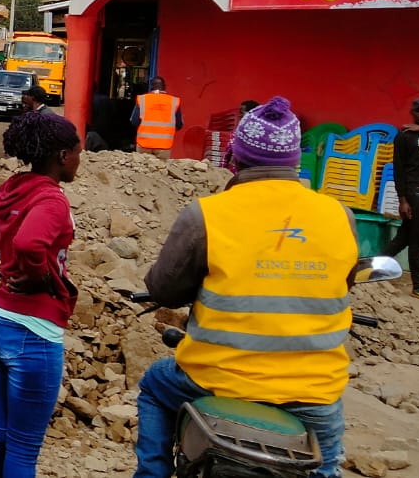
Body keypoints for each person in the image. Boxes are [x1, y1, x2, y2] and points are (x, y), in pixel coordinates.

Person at [135, 97, 358, 478]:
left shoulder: (207, 213)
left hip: (214, 382)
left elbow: (165, 291)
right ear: (294, 162)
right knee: (325, 467)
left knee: (154, 386)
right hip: (313, 393)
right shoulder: (340, 215)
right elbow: (345, 281)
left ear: (235, 158)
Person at [0, 111, 83, 478]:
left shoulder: (15, 186)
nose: (80, 160)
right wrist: (38, 278)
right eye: (78, 152)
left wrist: (4, 257)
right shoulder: (52, 200)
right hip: (32, 332)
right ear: (63, 156)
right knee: (23, 447)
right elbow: (30, 242)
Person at [384, 98, 419, 299]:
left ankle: (374, 266)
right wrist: (403, 199)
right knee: (418, 240)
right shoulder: (404, 137)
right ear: (412, 111)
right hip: (414, 192)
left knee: (403, 238)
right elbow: (398, 170)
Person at [131, 76, 182, 159]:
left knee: (143, 170)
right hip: (164, 146)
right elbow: (179, 125)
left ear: (151, 87)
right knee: (160, 170)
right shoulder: (174, 101)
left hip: (144, 144)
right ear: (164, 86)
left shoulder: (142, 99)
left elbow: (134, 121)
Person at [221, 99, 260, 174]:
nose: (239, 115)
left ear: (251, 114)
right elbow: (226, 157)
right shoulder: (236, 133)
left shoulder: (238, 133)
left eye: (242, 113)